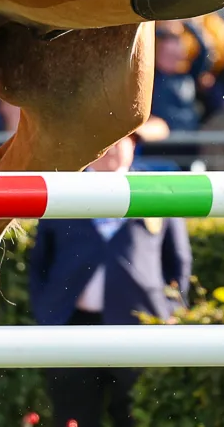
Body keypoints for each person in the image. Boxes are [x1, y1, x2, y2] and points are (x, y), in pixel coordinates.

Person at [28, 134, 191, 427]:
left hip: (139, 327)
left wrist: (169, 310)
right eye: (105, 139)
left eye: (122, 139)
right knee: (73, 415)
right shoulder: (65, 190)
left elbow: (177, 262)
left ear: (134, 145)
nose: (111, 147)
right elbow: (40, 261)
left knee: (136, 416)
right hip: (72, 326)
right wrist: (46, 310)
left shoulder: (157, 190)